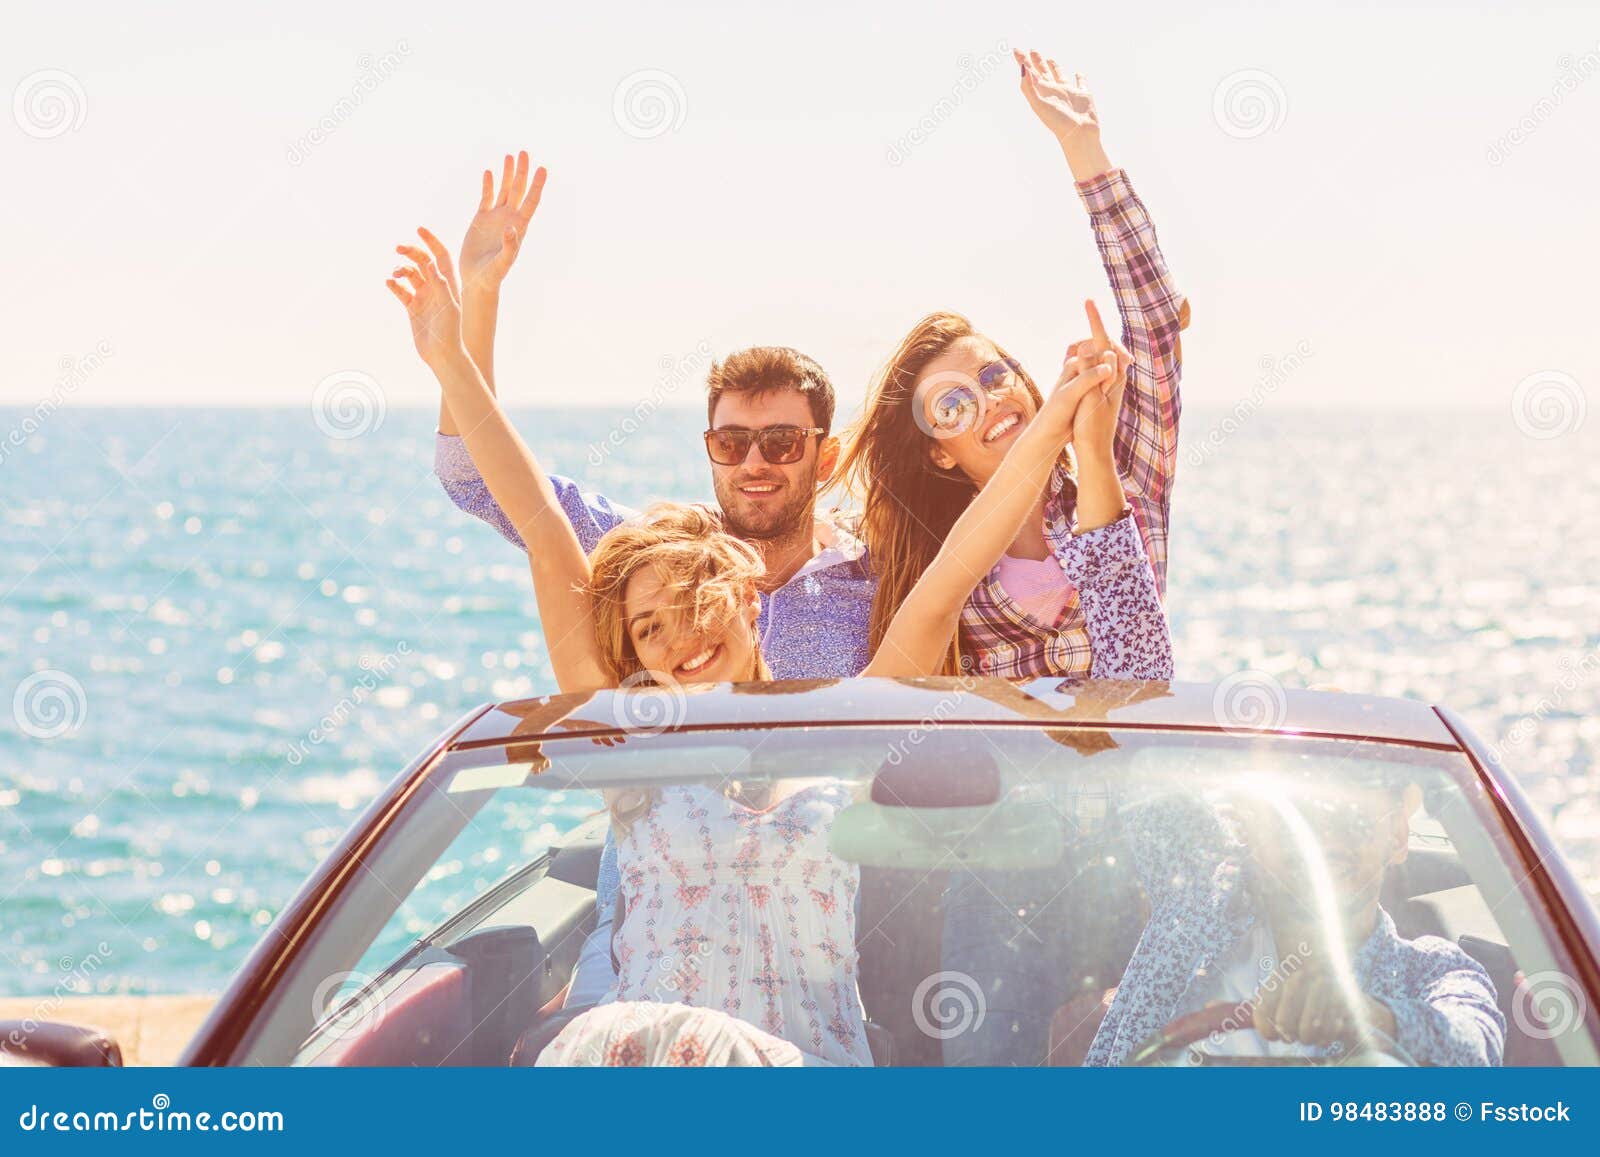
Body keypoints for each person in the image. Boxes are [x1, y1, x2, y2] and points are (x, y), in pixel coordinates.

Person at [384, 222, 1162, 1063]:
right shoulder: (630, 759)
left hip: (797, 1069)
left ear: (750, 600)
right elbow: (538, 525)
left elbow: (955, 570)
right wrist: (454, 353)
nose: (678, 636)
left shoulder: (844, 731)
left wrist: (1057, 422)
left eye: (696, 606)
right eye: (648, 628)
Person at [832, 49, 1188, 678]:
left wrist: (1084, 148)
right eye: (954, 403)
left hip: (1129, 766)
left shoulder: (1123, 475)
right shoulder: (931, 556)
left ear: (1028, 383)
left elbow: (1155, 323)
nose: (990, 398)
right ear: (938, 451)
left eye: (995, 375)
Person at [1083, 774, 1505, 1066]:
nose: (1322, 840)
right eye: (1295, 817)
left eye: (1352, 816)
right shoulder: (1198, 897)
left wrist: (1368, 1018)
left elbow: (1473, 1046)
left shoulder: (1430, 971)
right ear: (1247, 832)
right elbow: (1129, 711)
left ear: (1396, 836)